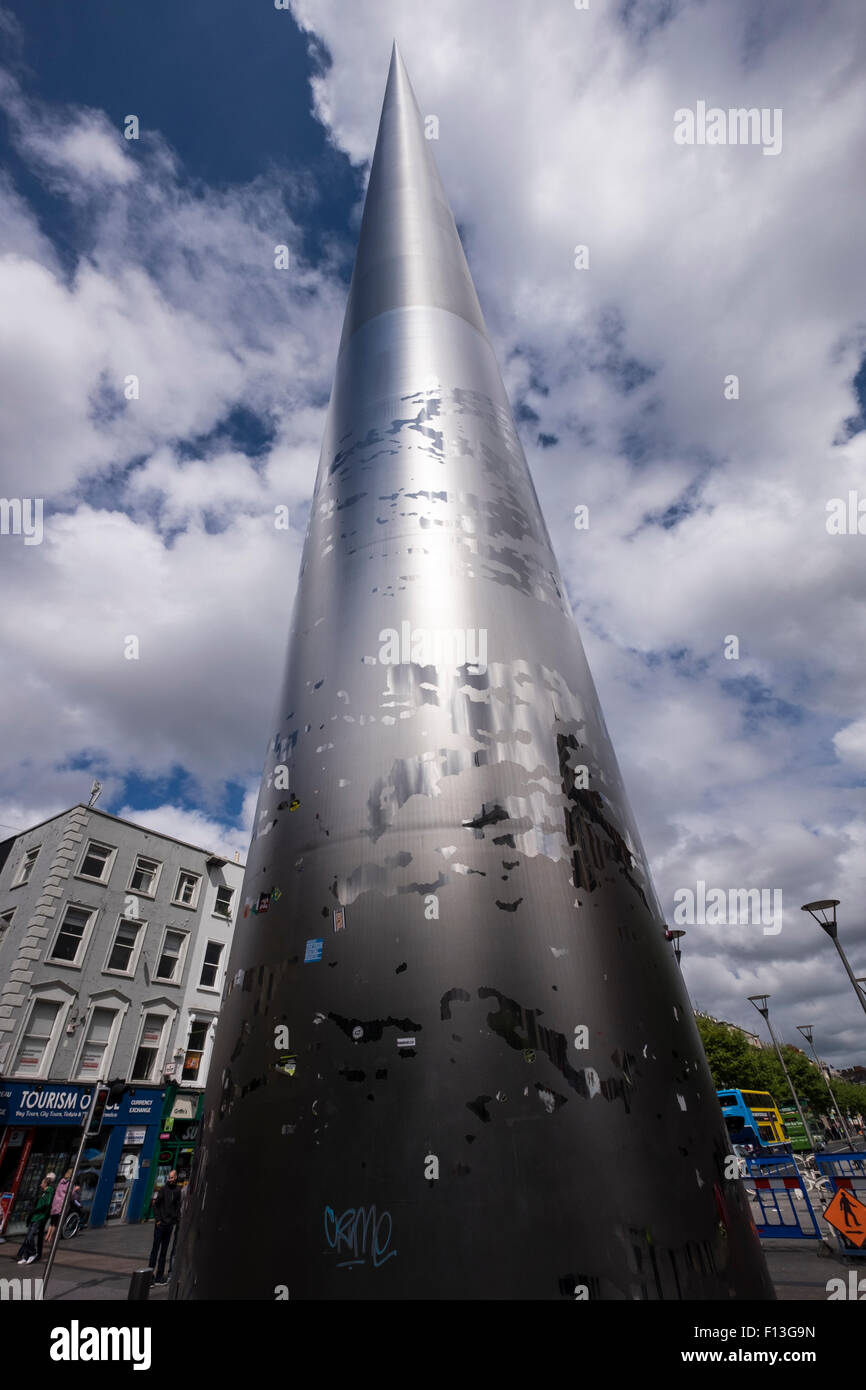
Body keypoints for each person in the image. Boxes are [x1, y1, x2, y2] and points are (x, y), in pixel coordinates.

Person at [149, 1170, 182, 1285]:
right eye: (169, 1177)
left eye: (172, 1178)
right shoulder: (163, 1189)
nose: (170, 1179)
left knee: (164, 1252)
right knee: (155, 1251)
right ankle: (149, 1277)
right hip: (160, 1225)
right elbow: (156, 1205)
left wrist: (175, 1220)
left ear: (176, 1177)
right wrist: (158, 1220)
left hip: (169, 1226)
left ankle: (159, 1277)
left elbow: (178, 1206)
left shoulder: (178, 1190)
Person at [17, 1173, 55, 1264]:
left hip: (39, 1217)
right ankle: (25, 1257)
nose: (40, 1184)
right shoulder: (44, 1193)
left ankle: (33, 1253)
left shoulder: (49, 1192)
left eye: (42, 1182)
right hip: (35, 1216)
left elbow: (46, 1205)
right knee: (28, 1237)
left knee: (30, 1236)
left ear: (46, 1184)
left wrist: (37, 1211)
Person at [46, 1168, 79, 1246]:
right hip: (61, 1205)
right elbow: (71, 1195)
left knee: (52, 1221)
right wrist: (76, 1190)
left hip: (55, 1203)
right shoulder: (70, 1183)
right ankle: (51, 1236)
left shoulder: (61, 1181)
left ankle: (47, 1235)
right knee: (56, 1222)